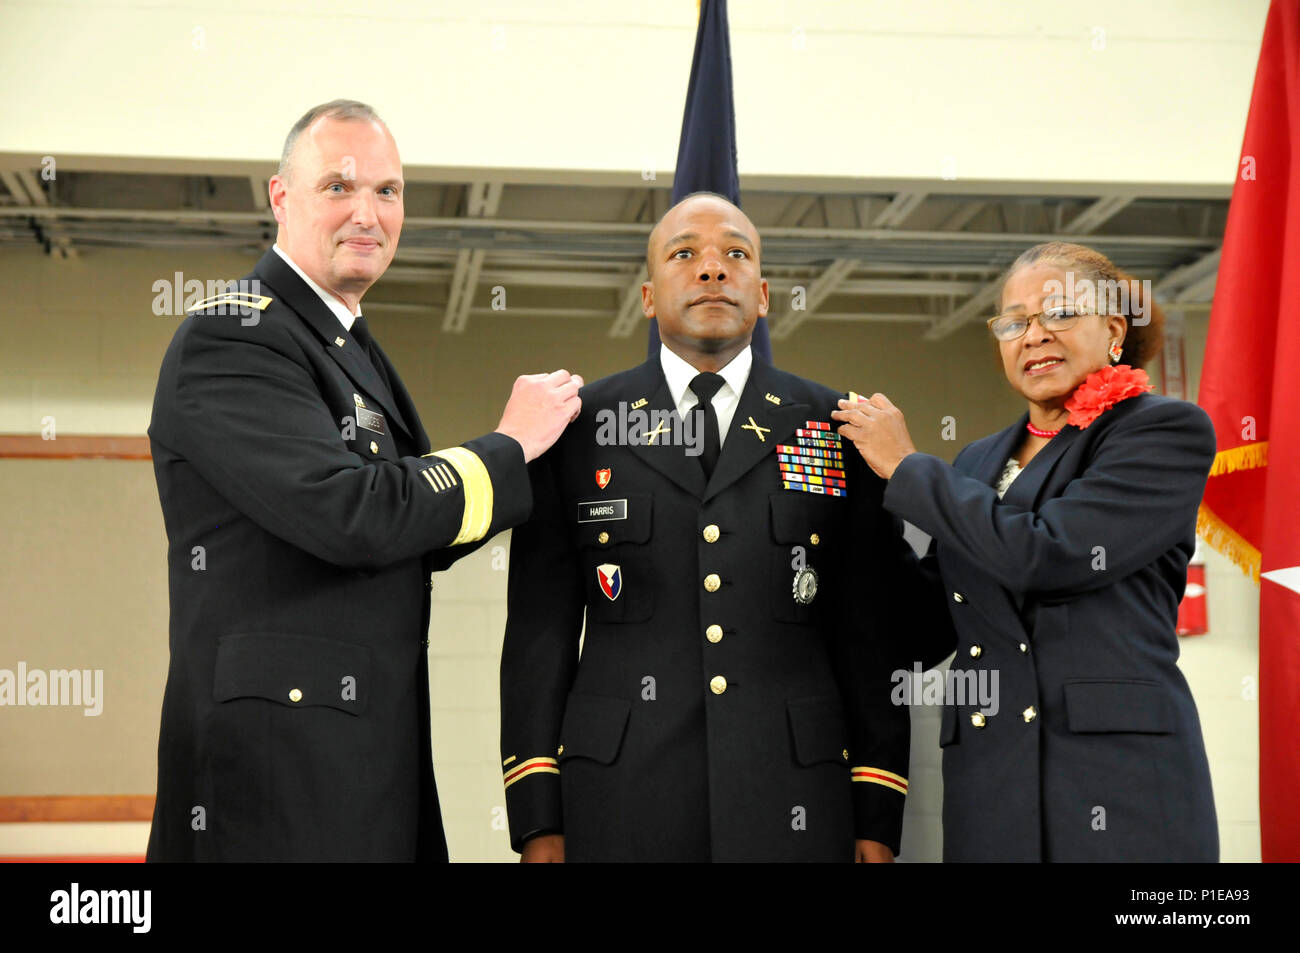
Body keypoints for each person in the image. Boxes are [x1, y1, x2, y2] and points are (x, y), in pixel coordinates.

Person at [145, 100, 581, 861]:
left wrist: (546, 463)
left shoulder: (350, 347)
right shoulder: (235, 332)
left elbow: (408, 530)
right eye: (339, 187)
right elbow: (356, 515)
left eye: (387, 191)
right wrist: (508, 446)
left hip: (363, 762)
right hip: (278, 782)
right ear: (281, 198)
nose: (368, 213)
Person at [498, 192, 925, 862]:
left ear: (763, 296)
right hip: (618, 799)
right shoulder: (575, 427)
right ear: (646, 295)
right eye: (684, 254)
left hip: (794, 798)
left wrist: (876, 809)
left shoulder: (836, 428)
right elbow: (538, 631)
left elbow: (867, 636)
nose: (712, 269)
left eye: (735, 254)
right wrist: (535, 813)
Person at [833, 241, 1219, 862]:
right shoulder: (978, 461)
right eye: (1015, 322)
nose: (1034, 334)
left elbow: (1050, 554)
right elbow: (926, 628)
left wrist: (906, 469)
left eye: (1060, 313)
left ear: (1114, 328)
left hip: (1117, 784)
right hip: (990, 788)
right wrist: (859, 506)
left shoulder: (1161, 431)